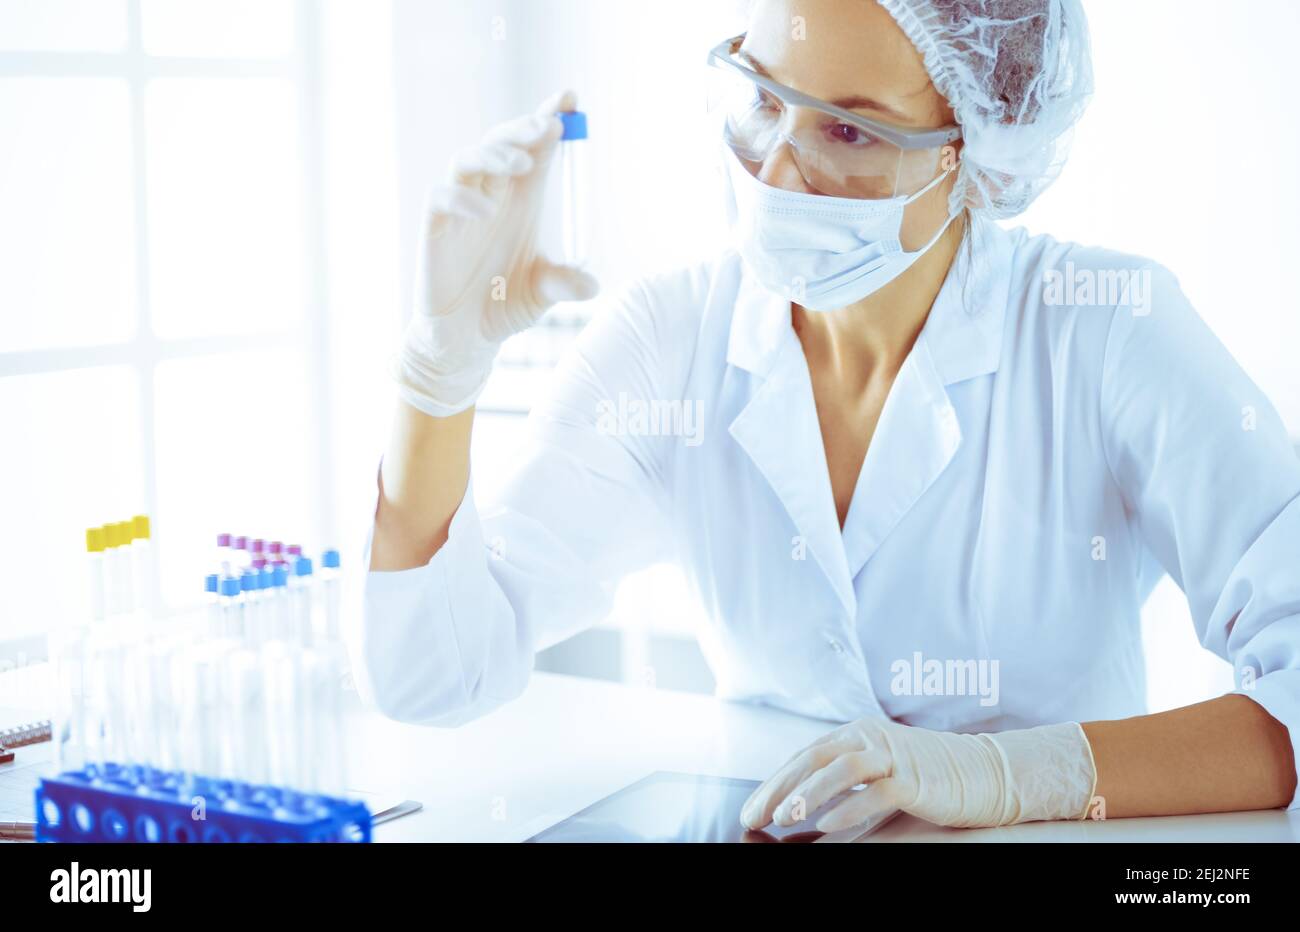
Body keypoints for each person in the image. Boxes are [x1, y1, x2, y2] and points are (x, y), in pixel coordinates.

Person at [353, 0, 1300, 833]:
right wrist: (440, 369)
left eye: (850, 133)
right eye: (763, 98)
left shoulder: (1103, 328)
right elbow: (436, 671)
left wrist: (1010, 778)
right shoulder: (671, 336)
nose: (775, 171)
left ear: (979, 144)